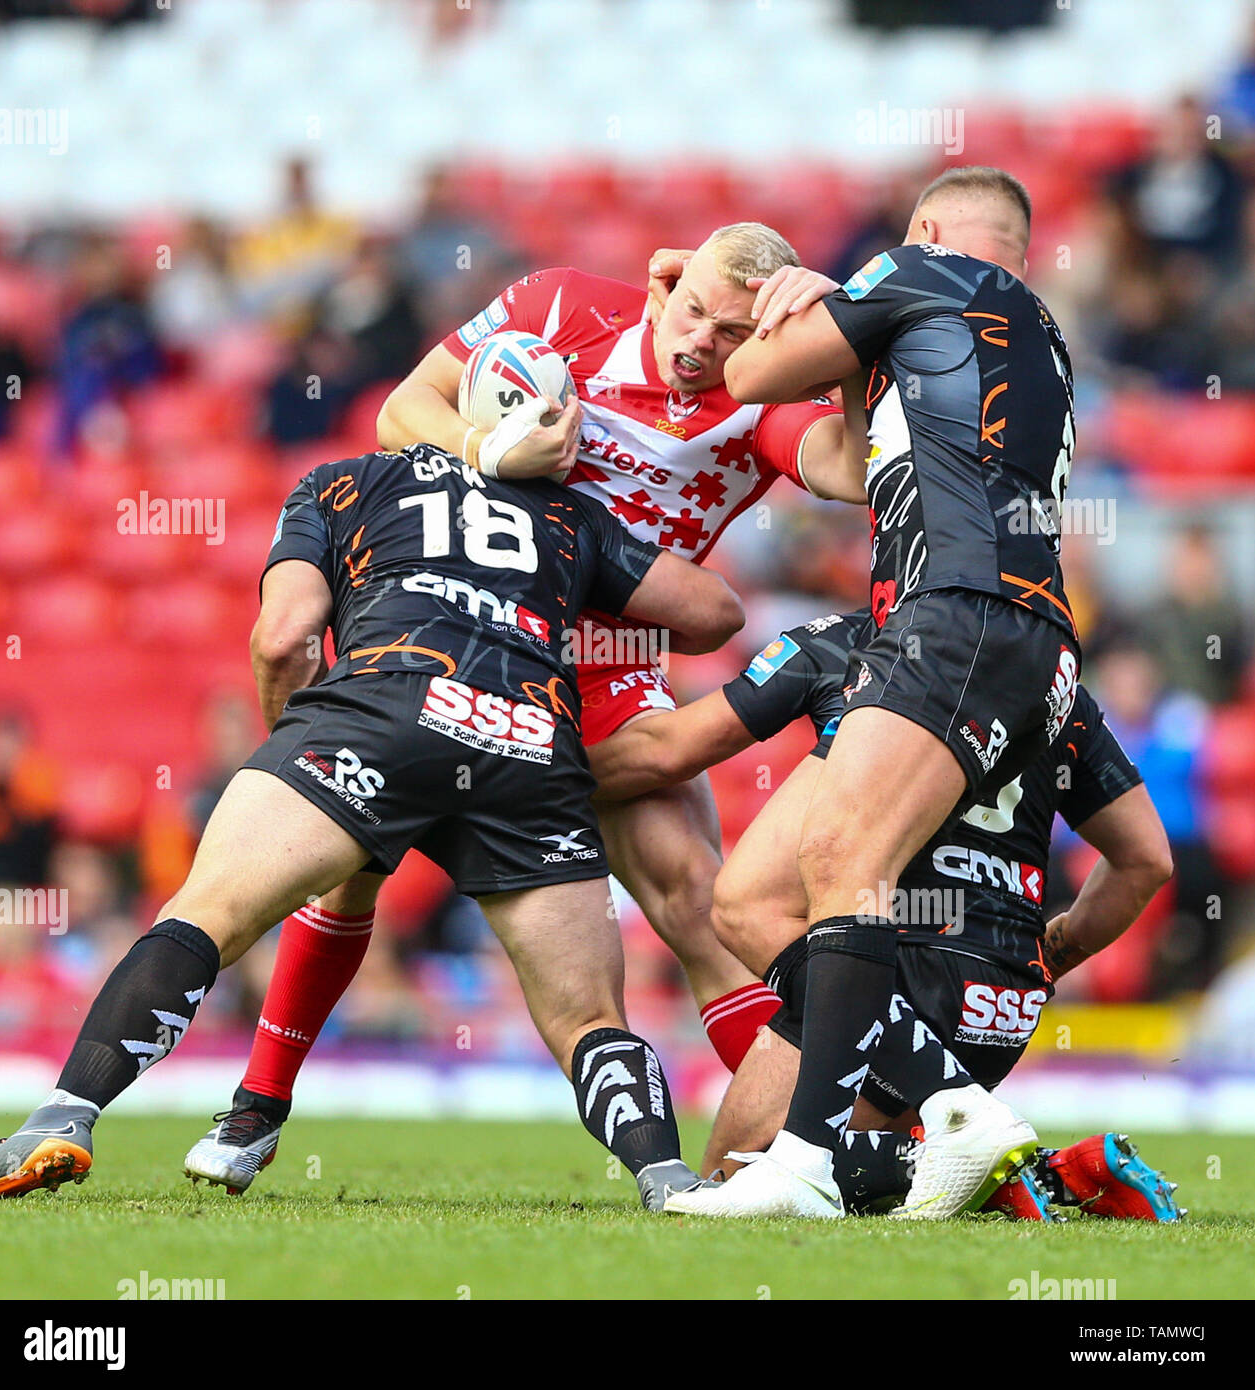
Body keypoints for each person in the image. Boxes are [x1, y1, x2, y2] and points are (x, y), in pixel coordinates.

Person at [194, 223, 868, 1188]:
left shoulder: (757, 399)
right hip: (459, 616)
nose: (701, 346)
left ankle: (809, 1154)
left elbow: (852, 470)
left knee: (695, 900)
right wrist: (488, 446)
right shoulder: (559, 306)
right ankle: (255, 1111)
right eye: (693, 315)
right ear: (661, 282)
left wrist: (841, 339)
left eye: (730, 335)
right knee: (344, 873)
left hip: (606, 661)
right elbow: (400, 408)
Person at [0, 438, 743, 1210]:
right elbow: (713, 612)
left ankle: (70, 1112)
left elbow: (282, 638)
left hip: (381, 715)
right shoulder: (570, 515)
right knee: (587, 1016)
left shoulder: (344, 482)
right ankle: (664, 1177)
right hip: (526, 741)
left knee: (205, 916)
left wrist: (292, 755)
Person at [664, 166, 1085, 1219]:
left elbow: (754, 375)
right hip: (997, 625)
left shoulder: (913, 265)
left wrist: (792, 292)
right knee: (754, 893)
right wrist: (854, 359)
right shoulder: (1038, 339)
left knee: (842, 860)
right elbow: (861, 453)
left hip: (960, 606)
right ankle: (942, 1099)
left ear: (932, 230)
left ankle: (809, 1160)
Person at [589, 611, 1180, 1221]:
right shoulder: (1058, 689)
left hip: (883, 961)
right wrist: (1046, 961)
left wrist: (528, 772)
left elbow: (667, 751)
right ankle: (1040, 1169)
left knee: (739, 1176)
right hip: (1003, 1004)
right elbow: (1146, 862)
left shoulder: (851, 645)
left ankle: (1030, 1175)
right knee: (834, 1181)